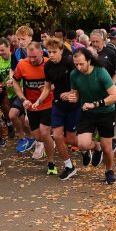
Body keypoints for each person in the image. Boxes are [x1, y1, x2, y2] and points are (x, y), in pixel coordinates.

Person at [70, 47, 116, 185]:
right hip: (88, 113)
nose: (79, 67)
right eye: (76, 64)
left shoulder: (100, 72)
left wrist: (96, 104)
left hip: (106, 112)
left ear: (89, 61)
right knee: (82, 144)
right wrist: (73, 98)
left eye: (82, 64)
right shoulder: (74, 74)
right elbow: (75, 94)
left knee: (107, 147)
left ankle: (109, 171)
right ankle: (96, 147)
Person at [11, 42, 56, 170]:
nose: (31, 59)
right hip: (31, 105)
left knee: (44, 132)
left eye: (34, 57)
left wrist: (50, 88)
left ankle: (51, 163)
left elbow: (59, 82)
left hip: (48, 103)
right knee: (38, 136)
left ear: (41, 53)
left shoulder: (49, 64)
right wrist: (22, 99)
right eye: (29, 56)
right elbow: (15, 81)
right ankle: (50, 140)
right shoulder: (22, 64)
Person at [43, 38, 79, 180]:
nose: (51, 55)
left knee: (71, 139)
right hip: (58, 103)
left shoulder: (70, 62)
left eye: (54, 52)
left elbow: (80, 82)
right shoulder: (48, 66)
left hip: (74, 104)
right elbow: (47, 87)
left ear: (61, 51)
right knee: (57, 135)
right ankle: (69, 166)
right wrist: (38, 101)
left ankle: (95, 147)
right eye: (49, 52)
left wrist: (72, 93)